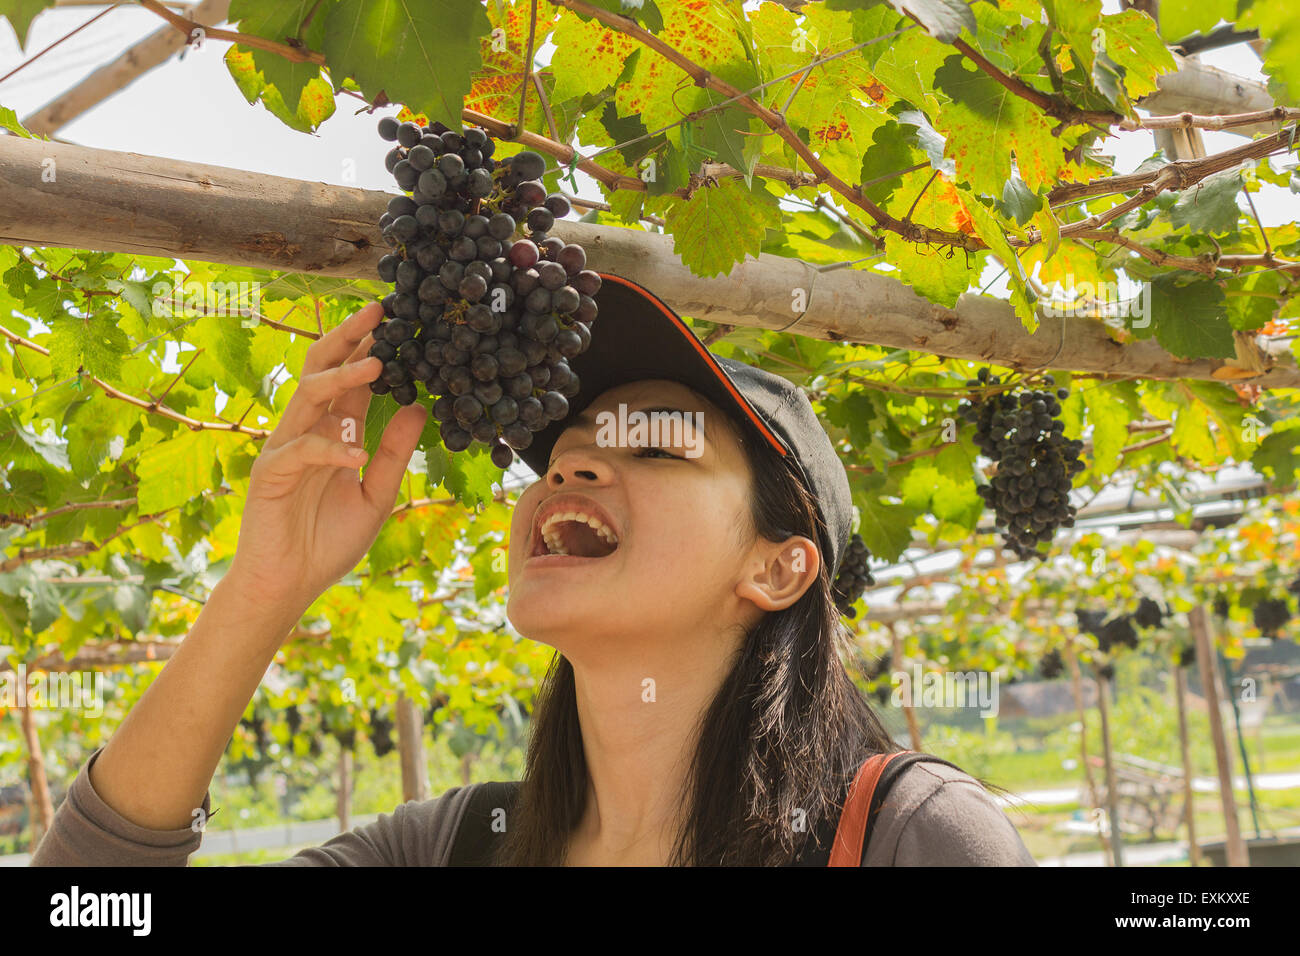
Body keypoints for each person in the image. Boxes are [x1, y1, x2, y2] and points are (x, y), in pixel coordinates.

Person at [31, 274, 1035, 867]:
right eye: (565, 449)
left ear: (777, 569)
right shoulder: (455, 846)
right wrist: (265, 588)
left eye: (657, 446)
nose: (570, 464)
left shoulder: (910, 839)